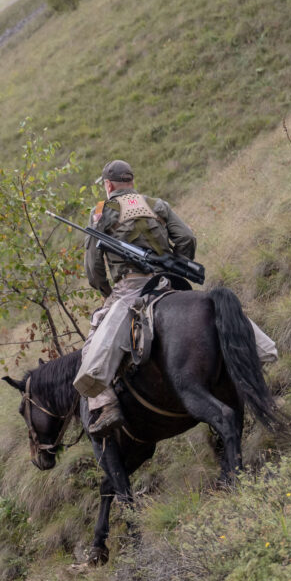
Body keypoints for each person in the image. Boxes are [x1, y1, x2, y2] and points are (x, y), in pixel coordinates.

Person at [74, 159, 197, 435]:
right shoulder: (157, 205)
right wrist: (177, 267)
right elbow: (186, 238)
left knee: (91, 347)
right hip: (167, 282)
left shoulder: (101, 212)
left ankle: (107, 406)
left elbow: (93, 268)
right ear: (131, 181)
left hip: (129, 287)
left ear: (108, 185)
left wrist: (108, 295)